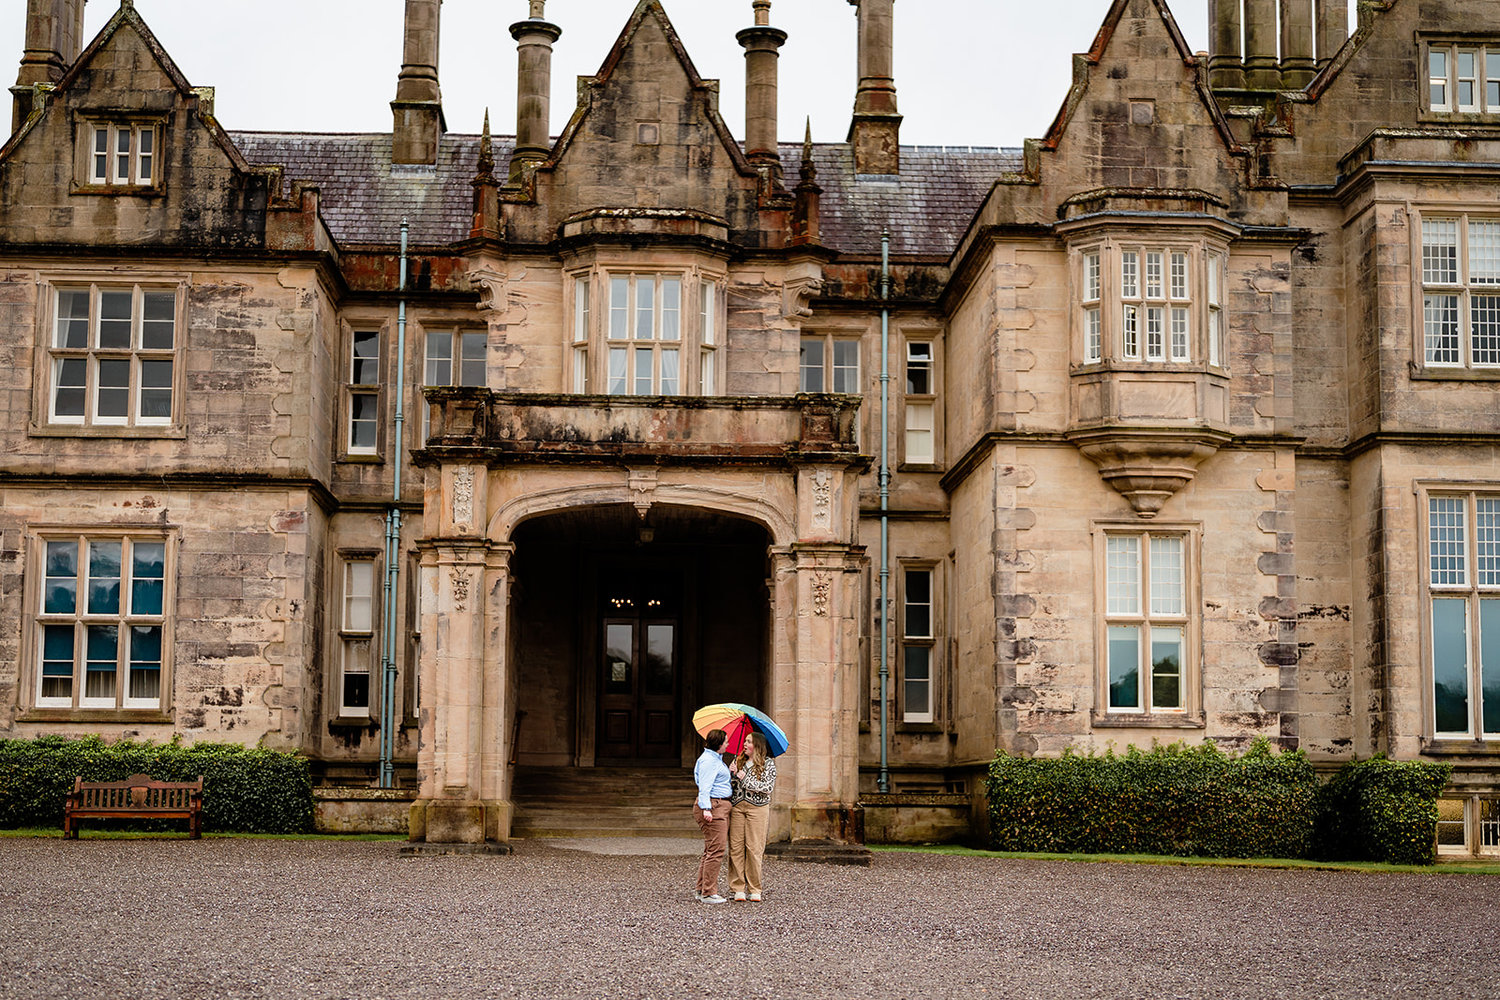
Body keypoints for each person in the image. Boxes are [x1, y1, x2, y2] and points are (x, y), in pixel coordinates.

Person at [726, 730, 778, 902]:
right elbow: (731, 786)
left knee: (754, 848)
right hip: (737, 807)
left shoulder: (768, 764)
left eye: (749, 742)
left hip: (758, 809)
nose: (745, 744)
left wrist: (743, 777)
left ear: (757, 746)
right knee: (736, 848)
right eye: (745, 741)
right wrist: (730, 773)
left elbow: (767, 788)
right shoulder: (737, 761)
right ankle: (738, 887)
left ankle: (755, 888)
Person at [692, 728, 732, 903]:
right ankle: (708, 892)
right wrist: (706, 808)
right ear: (719, 744)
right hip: (714, 805)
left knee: (710, 850)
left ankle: (702, 889)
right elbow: (705, 786)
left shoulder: (715, 759)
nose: (728, 744)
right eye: (726, 742)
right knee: (716, 850)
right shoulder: (709, 761)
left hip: (717, 804)